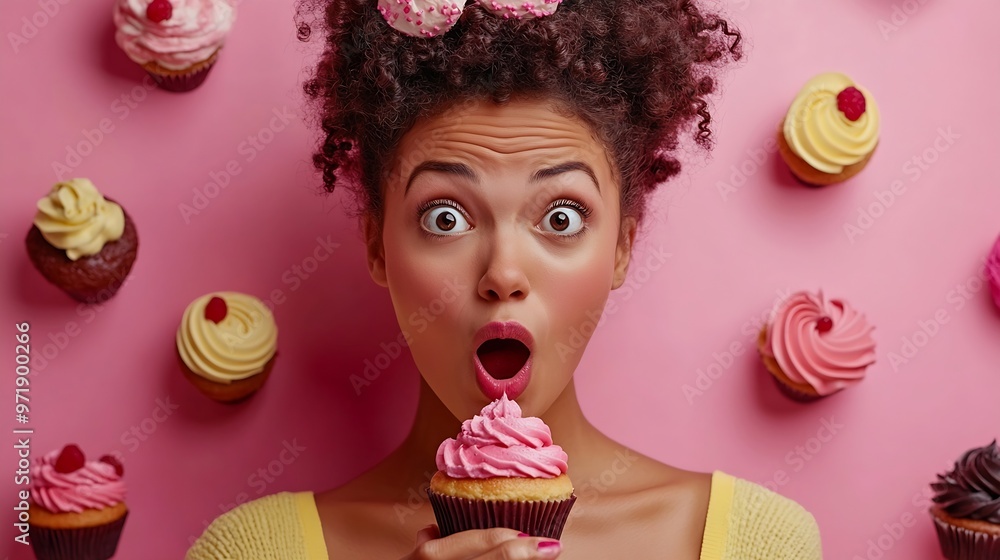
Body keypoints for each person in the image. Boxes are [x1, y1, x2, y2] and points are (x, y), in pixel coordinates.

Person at [187, 0, 823, 558]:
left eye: (562, 216)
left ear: (623, 246)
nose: (503, 274)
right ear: (378, 244)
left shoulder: (757, 543)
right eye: (445, 216)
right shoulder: (253, 551)